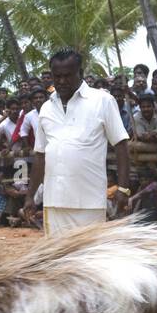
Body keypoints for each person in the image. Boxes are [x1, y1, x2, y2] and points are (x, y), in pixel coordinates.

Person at [31, 48, 130, 235]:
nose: (61, 81)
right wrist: (30, 196)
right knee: (57, 258)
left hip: (89, 202)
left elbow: (121, 145)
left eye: (67, 76)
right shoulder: (46, 108)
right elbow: (40, 155)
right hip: (54, 201)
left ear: (81, 73)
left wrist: (123, 189)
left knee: (90, 259)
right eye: (57, 76)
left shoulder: (102, 100)